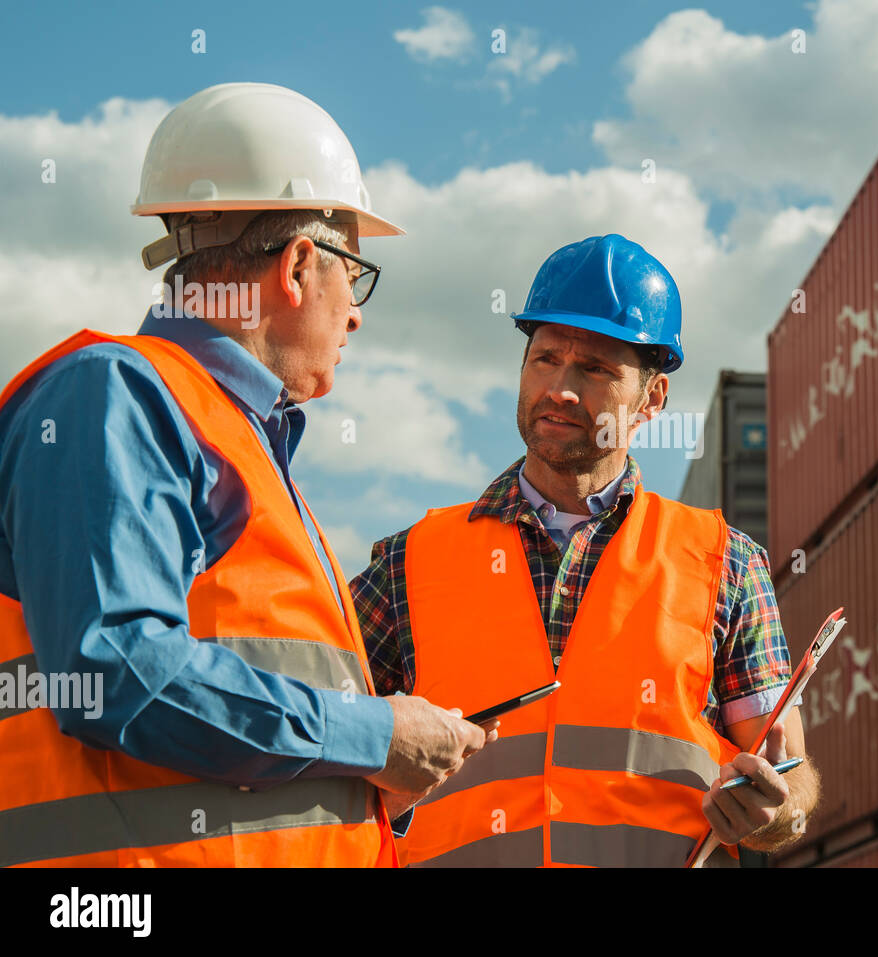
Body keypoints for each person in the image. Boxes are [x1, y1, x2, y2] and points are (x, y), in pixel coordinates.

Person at [0, 82, 492, 868]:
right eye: (355, 274)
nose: (357, 312)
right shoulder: (114, 394)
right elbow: (115, 667)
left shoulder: (232, 438)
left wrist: (364, 779)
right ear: (299, 265)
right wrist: (375, 734)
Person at [351, 233, 820, 867]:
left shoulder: (724, 563)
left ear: (653, 399)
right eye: (545, 359)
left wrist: (772, 810)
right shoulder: (408, 564)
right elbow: (322, 738)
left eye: (595, 369)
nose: (561, 389)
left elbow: (791, 776)